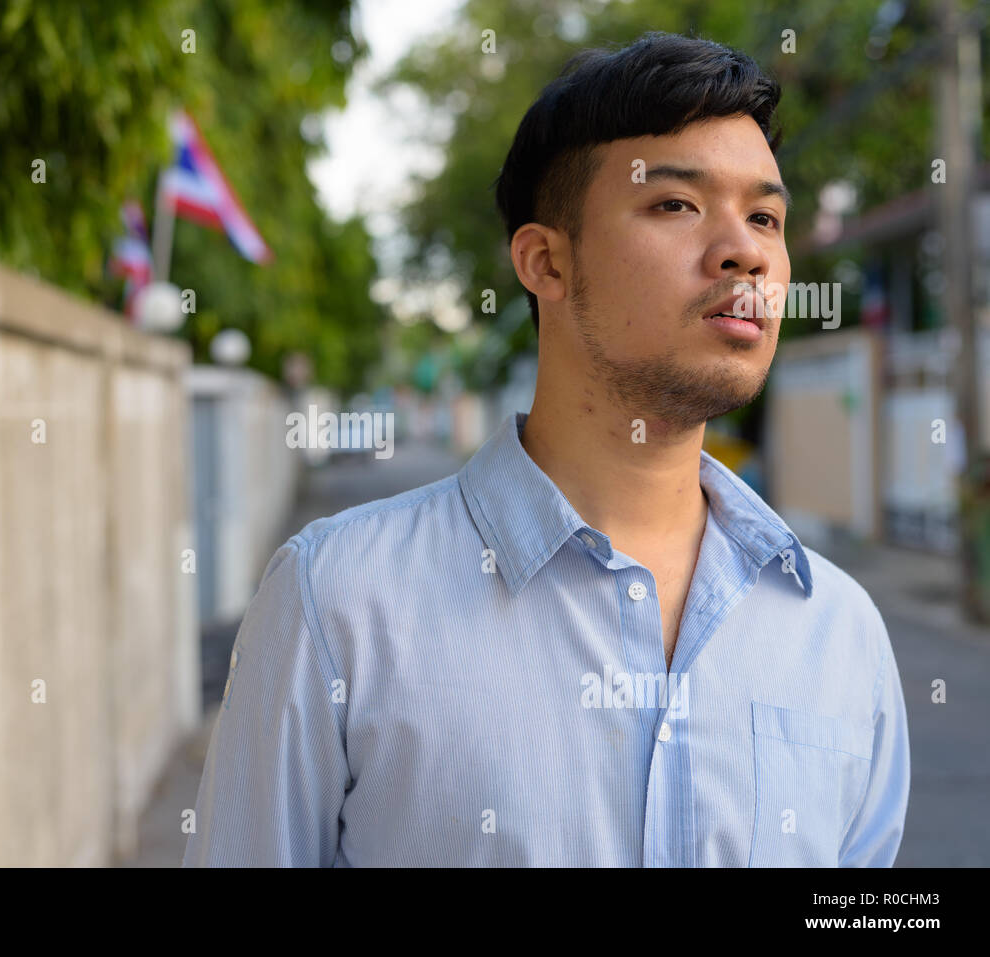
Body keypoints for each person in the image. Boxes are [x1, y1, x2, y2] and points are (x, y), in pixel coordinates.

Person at [183, 31, 909, 867]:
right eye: (676, 204)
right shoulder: (339, 603)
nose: (744, 249)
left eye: (764, 217)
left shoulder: (839, 632)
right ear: (545, 263)